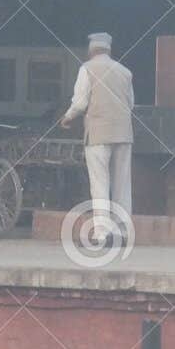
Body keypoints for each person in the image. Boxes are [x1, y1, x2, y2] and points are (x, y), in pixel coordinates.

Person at [60, 33, 135, 246]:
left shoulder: (87, 69)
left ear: (91, 50)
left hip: (98, 134)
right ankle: (122, 232)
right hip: (123, 133)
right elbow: (130, 104)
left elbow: (81, 102)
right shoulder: (125, 72)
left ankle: (102, 233)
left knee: (100, 182)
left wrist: (67, 117)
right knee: (122, 183)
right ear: (108, 50)